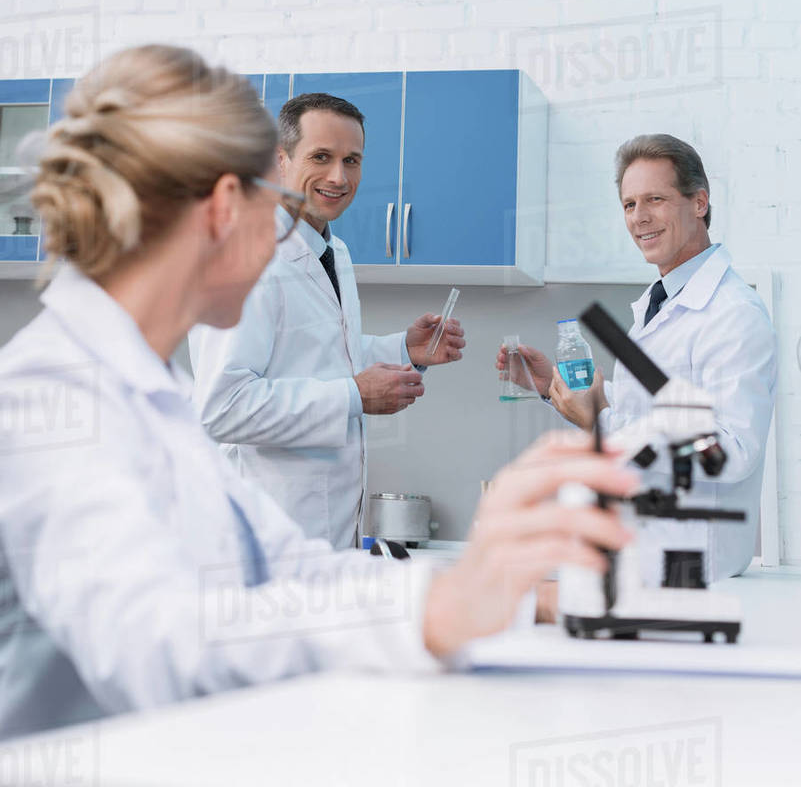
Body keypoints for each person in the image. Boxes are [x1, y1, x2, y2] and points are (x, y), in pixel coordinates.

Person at [0, 45, 636, 738]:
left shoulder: (151, 386)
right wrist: (437, 610)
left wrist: (504, 593)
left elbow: (291, 566)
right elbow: (160, 641)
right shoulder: (52, 396)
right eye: (272, 204)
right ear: (222, 209)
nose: (284, 230)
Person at [189, 92, 465, 550]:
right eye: (321, 157)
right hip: (265, 539)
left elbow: (314, 354)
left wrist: (403, 350)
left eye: (352, 160)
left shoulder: (332, 251)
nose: (339, 177)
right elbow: (222, 406)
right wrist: (355, 395)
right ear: (280, 161)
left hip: (327, 539)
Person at [498, 133, 776, 583]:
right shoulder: (659, 302)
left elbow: (728, 452)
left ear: (699, 202)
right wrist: (556, 386)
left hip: (690, 565)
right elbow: (638, 412)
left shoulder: (732, 314)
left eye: (655, 199)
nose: (639, 218)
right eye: (629, 204)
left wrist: (599, 420)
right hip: (643, 553)